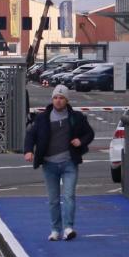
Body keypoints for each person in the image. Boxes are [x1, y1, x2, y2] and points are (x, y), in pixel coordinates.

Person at [23, 85, 95, 241]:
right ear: (52, 99)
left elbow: (90, 133)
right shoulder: (42, 118)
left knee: (69, 196)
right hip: (49, 165)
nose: (58, 101)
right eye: (55, 97)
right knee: (53, 200)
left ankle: (68, 228)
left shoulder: (76, 117)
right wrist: (28, 151)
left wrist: (80, 141)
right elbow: (31, 135)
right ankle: (55, 230)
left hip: (69, 163)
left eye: (61, 98)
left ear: (67, 100)